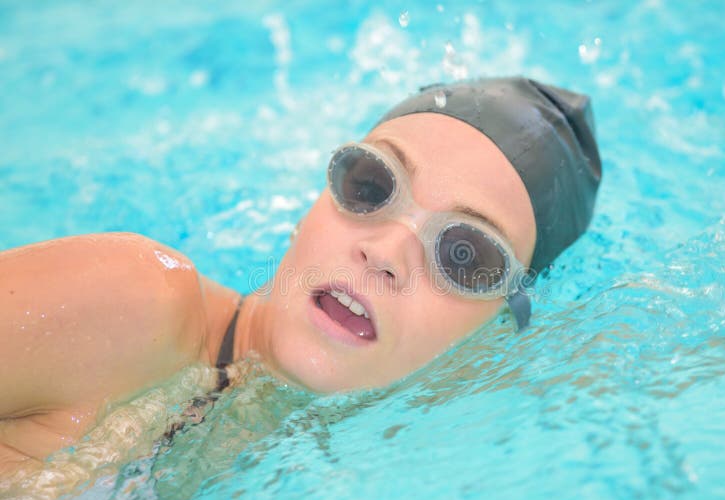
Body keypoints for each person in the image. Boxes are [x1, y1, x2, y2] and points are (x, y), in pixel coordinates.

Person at [0, 76, 602, 474]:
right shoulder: (135, 300)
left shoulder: (266, 470)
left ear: (496, 336)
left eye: (464, 254)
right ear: (305, 214)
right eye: (371, 185)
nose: (385, 252)